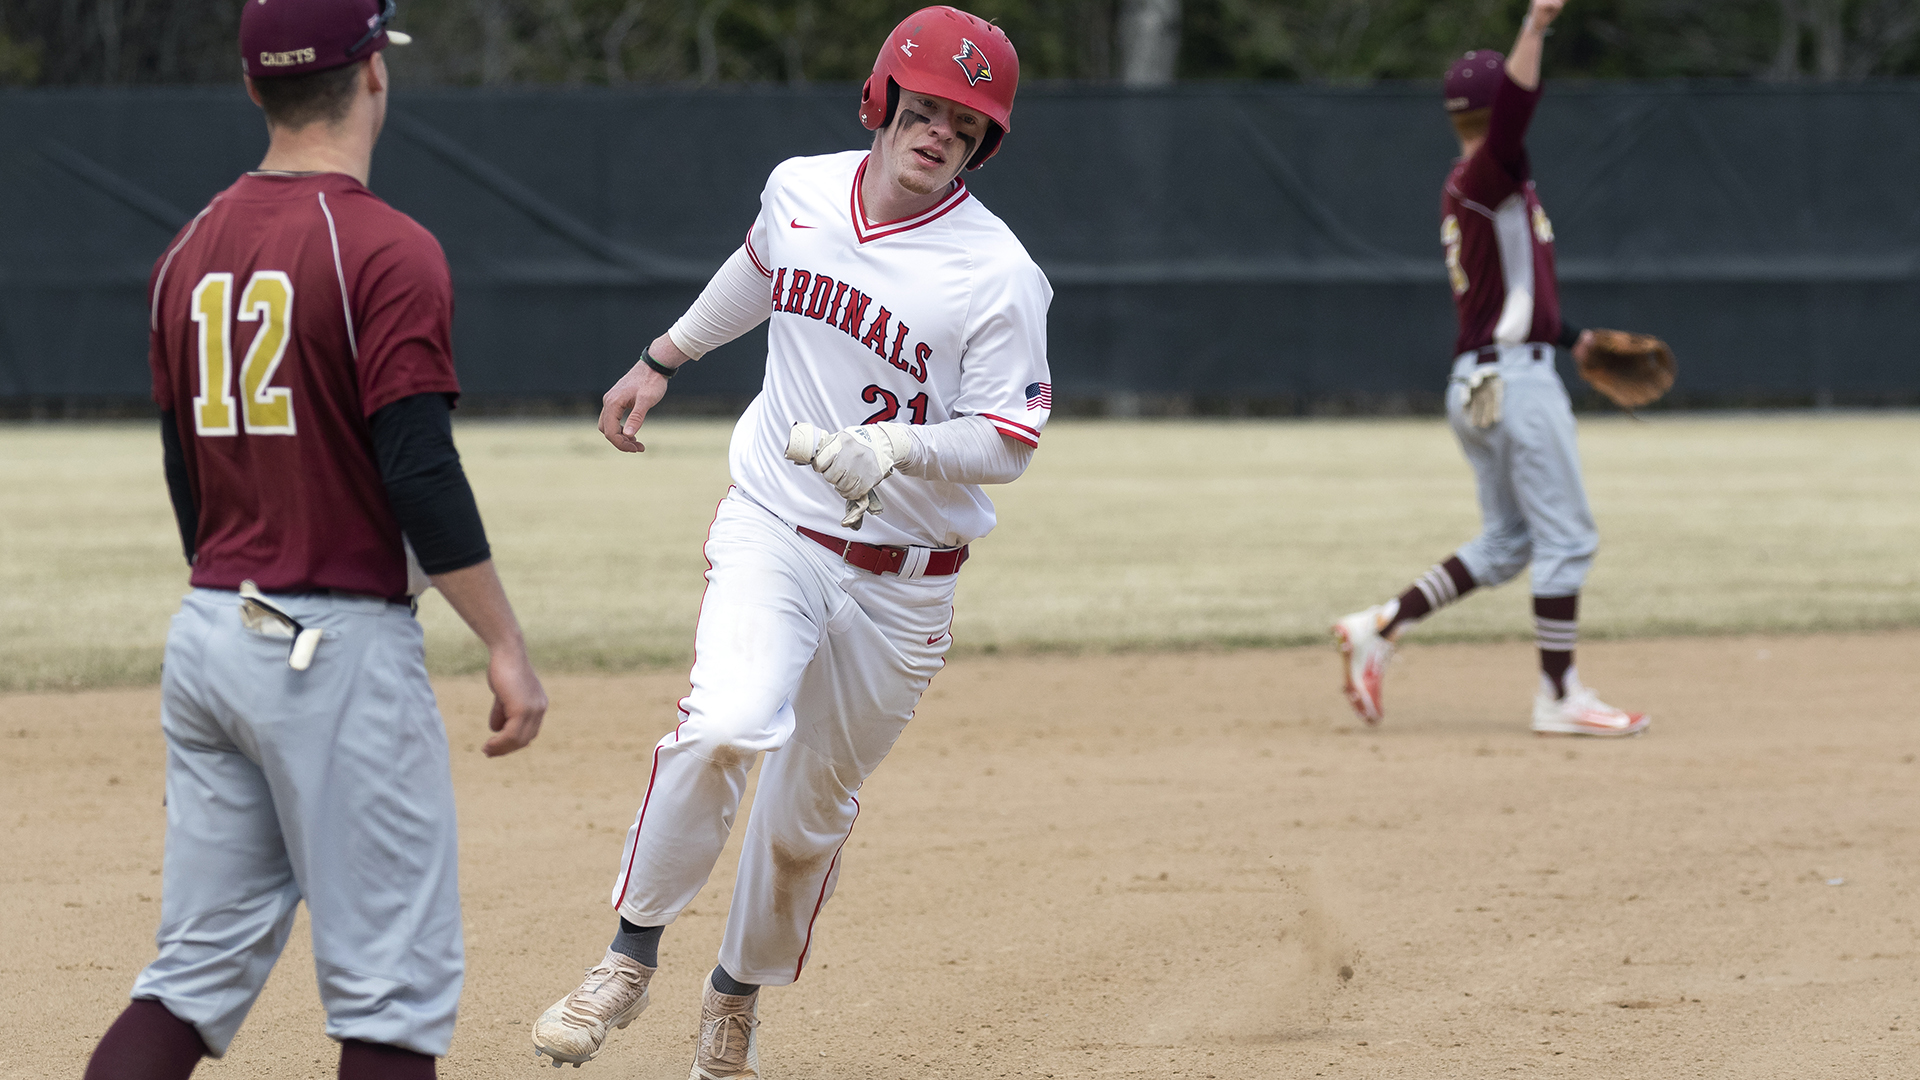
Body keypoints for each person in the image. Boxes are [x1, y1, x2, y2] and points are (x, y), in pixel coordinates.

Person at [529, 7, 1050, 1075]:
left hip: (906, 581)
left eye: (964, 121)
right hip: (777, 524)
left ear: (984, 143)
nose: (937, 131)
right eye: (922, 106)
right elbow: (762, 272)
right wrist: (661, 357)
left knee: (808, 815)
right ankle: (627, 959)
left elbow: (1007, 441)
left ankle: (734, 998)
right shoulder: (801, 189)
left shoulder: (997, 274)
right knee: (725, 723)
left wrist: (898, 450)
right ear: (880, 98)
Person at [84, 2, 548, 1077]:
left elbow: (183, 476)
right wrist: (506, 642)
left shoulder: (187, 247)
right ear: (374, 73)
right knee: (393, 994)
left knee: (190, 978)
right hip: (333, 652)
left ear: (255, 88)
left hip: (212, 629)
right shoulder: (385, 248)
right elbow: (419, 470)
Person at [1332, 0, 1648, 738]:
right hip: (1512, 385)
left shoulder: (1476, 186)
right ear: (1493, 111)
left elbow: (1512, 299)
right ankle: (1559, 695)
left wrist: (1574, 339)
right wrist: (1535, 28)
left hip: (1488, 377)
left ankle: (1379, 625)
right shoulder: (1487, 173)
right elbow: (1520, 107)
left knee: (1510, 543)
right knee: (1568, 538)